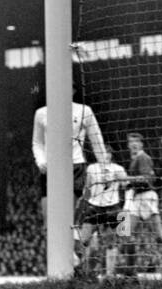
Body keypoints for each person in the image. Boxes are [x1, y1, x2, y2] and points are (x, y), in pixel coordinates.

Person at [31, 87, 109, 256]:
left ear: (72, 90)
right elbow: (37, 143)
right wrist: (41, 161)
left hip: (75, 168)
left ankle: (79, 260)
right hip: (50, 171)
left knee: (70, 223)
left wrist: (104, 168)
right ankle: (69, 265)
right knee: (48, 224)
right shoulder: (41, 113)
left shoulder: (83, 111)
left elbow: (96, 140)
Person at [116, 133, 162, 276]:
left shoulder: (143, 157)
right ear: (127, 145)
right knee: (124, 232)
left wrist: (126, 179)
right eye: (131, 142)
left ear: (141, 144)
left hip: (146, 196)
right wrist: (127, 185)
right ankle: (129, 271)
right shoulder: (134, 160)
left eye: (137, 141)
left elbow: (146, 179)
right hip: (136, 198)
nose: (134, 144)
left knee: (158, 235)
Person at [78, 154, 128, 278]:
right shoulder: (92, 168)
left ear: (111, 155)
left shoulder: (118, 168)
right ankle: (84, 270)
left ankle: (109, 276)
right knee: (84, 240)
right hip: (94, 207)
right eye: (101, 153)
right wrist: (83, 201)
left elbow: (126, 185)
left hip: (112, 207)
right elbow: (87, 187)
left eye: (106, 153)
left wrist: (122, 179)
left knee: (111, 243)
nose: (104, 156)